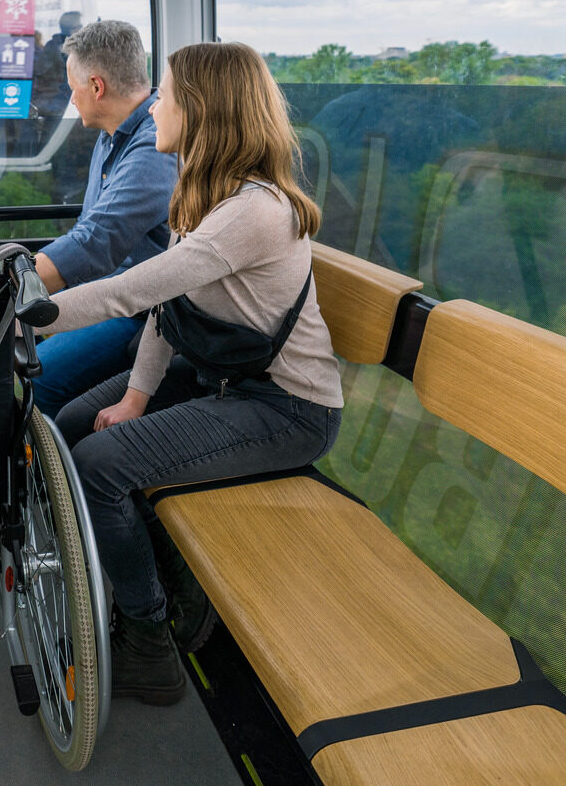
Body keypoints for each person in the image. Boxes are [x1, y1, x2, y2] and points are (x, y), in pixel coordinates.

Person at [37, 41, 344, 706]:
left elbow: (129, 291)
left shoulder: (254, 211)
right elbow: (165, 309)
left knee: (98, 465)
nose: (155, 108)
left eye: (168, 97)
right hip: (220, 378)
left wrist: (21, 316)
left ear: (201, 110)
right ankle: (171, 580)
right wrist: (137, 397)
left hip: (286, 407)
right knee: (73, 423)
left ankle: (148, 640)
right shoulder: (205, 196)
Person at [28, 19, 179, 417]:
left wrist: (14, 287)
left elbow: (97, 240)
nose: (71, 99)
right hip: (104, 292)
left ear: (96, 87)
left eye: (72, 87)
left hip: (138, 311)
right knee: (16, 346)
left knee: (35, 376)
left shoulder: (154, 147)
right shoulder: (112, 134)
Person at [30, 10, 81, 119]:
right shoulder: (57, 48)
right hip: (57, 104)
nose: (82, 30)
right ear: (73, 29)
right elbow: (46, 76)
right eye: (80, 27)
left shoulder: (67, 46)